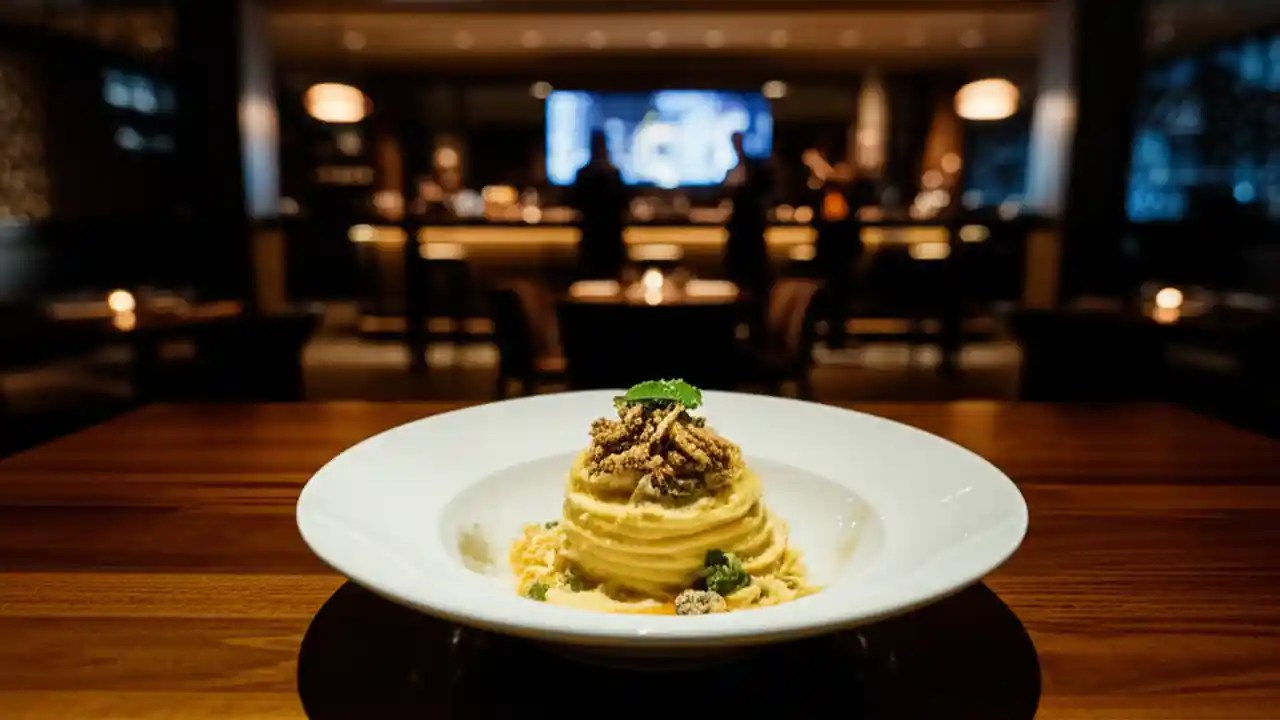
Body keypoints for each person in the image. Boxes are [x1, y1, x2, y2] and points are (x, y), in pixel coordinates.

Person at [723, 131, 775, 313]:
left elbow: (765, 195)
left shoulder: (756, 168)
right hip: (738, 234)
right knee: (738, 281)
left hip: (751, 234)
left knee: (754, 283)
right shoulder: (732, 171)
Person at [568, 131, 628, 279]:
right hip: (612, 240)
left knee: (590, 278)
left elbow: (574, 202)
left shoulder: (583, 174)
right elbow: (624, 204)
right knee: (613, 279)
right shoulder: (614, 174)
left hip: (590, 240)